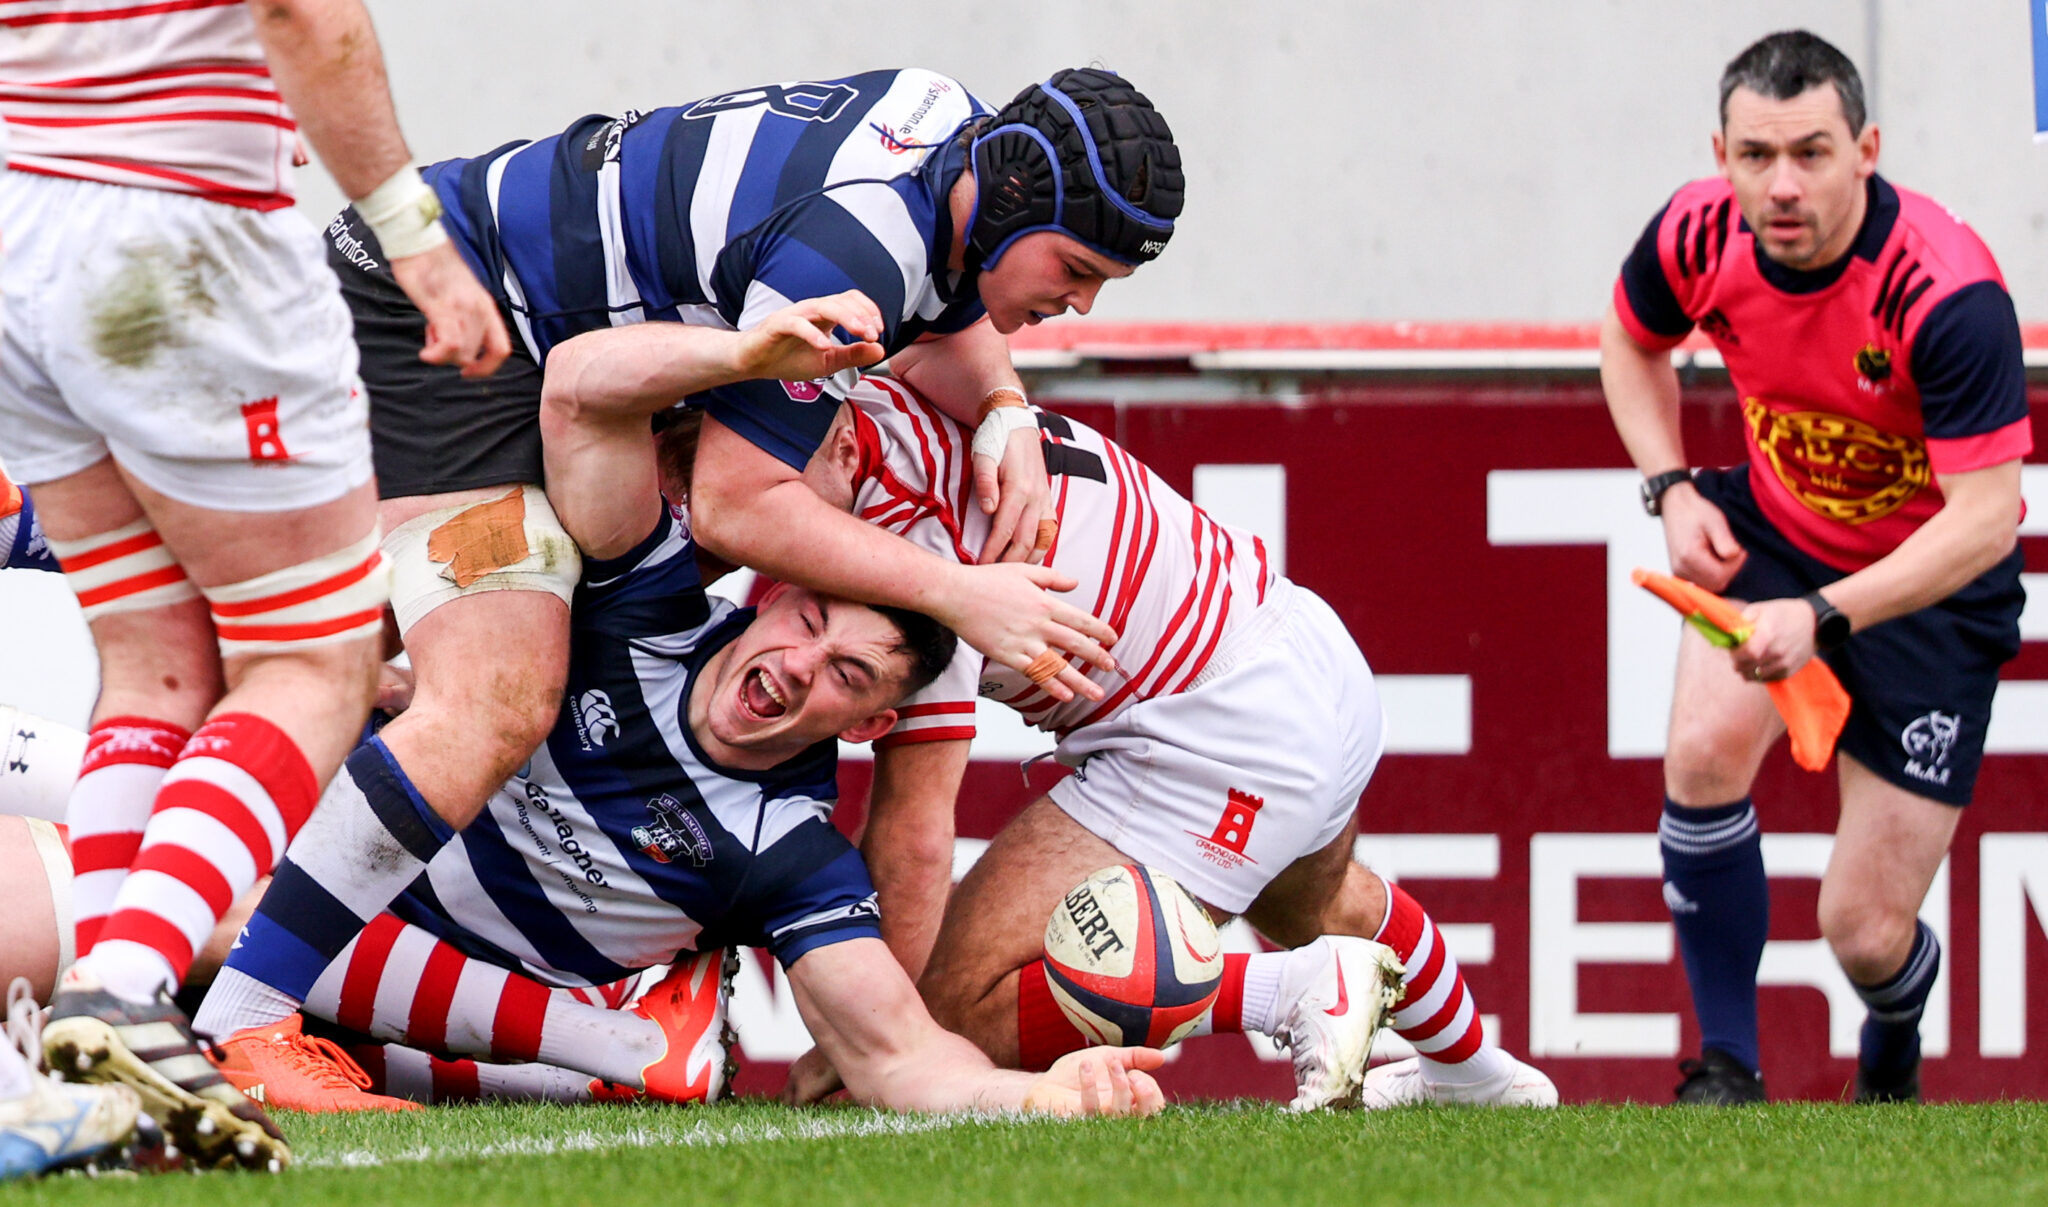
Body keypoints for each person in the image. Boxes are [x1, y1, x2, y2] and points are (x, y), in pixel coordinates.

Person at [216, 66, 1182, 1065]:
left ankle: (173, 933)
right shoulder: (861, 242)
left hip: (504, 323)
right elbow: (734, 499)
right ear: (1013, 199)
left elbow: (938, 307)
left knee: (345, 649)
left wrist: (1003, 405)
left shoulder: (960, 141)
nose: (1076, 302)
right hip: (458, 319)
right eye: (1074, 268)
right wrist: (962, 594)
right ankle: (244, 1017)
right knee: (494, 694)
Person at [193, 310, 1164, 1119]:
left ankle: (609, 1046)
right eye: (811, 622)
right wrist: (744, 353)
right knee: (211, 815)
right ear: (774, 597)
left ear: (868, 725)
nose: (797, 665)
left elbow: (900, 1057)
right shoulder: (642, 605)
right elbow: (577, 388)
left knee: (192, 917)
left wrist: (1040, 1099)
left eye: (846, 675)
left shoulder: (790, 854)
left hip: (414, 949)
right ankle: (623, 1052)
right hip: (329, 857)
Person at [0, 0, 506, 1171]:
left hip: (21, 228)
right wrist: (413, 237)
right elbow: (302, 14)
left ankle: (91, 1018)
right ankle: (121, 995)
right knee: (310, 655)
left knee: (152, 658)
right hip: (174, 219)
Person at [766, 378, 1557, 1110]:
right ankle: (1476, 1073)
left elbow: (915, 833)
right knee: (1308, 898)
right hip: (1297, 640)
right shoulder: (911, 376)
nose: (734, 494)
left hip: (1222, 730)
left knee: (946, 1019)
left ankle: (1292, 988)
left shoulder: (902, 548)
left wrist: (859, 1045)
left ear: (838, 448)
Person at [1599, 30, 2029, 1104]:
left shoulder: (1944, 293)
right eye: (1754, 156)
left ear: (1865, 148)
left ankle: (1891, 1030)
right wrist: (1671, 487)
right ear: (1720, 153)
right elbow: (1626, 341)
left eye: (1810, 153)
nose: (1780, 186)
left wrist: (1821, 614)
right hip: (1776, 532)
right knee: (1699, 754)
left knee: (1862, 930)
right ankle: (1726, 1067)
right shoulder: (1699, 231)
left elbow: (1983, 522)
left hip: (1927, 587)